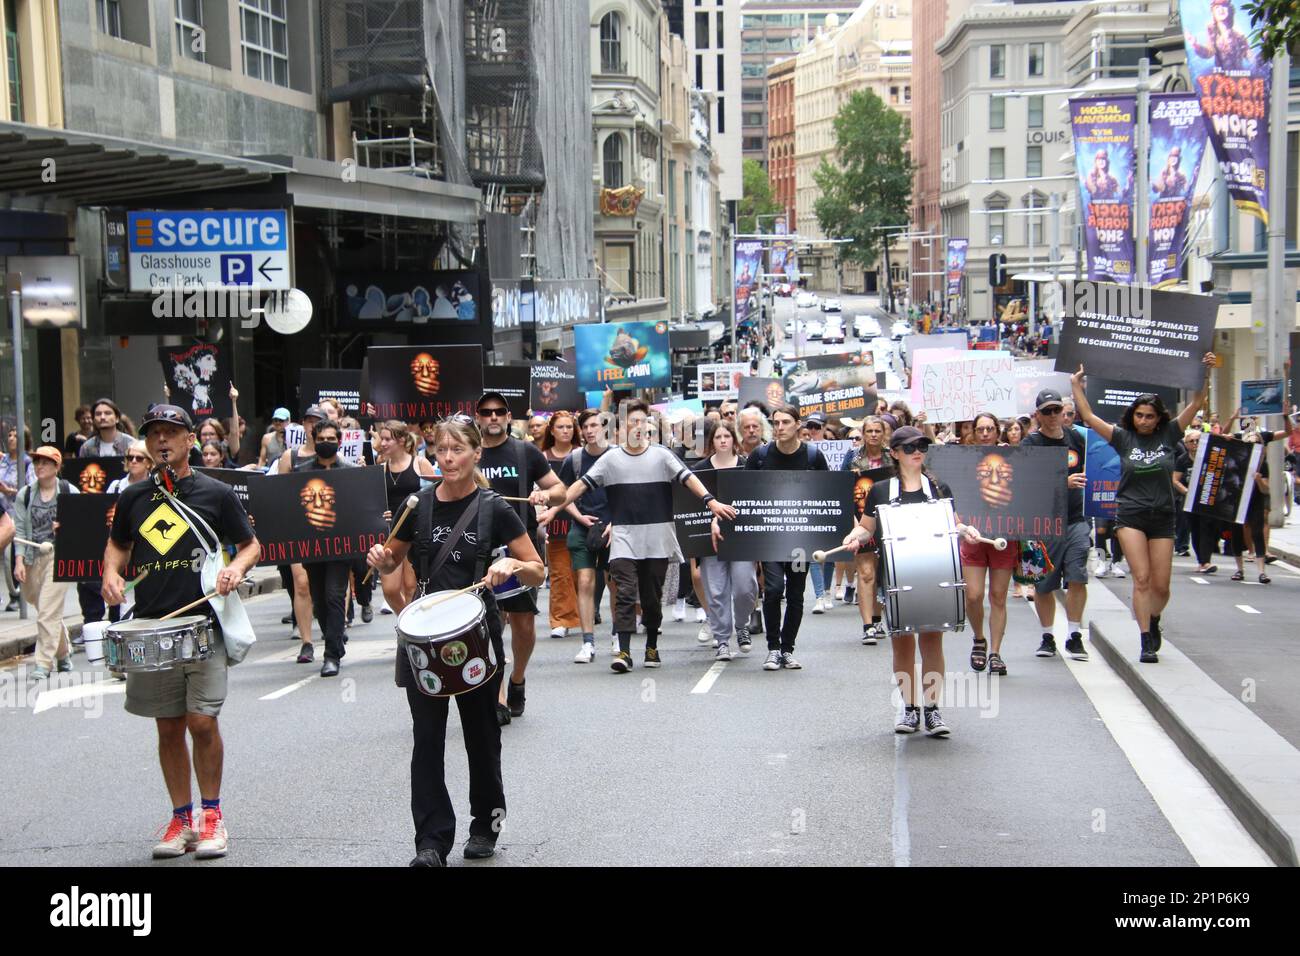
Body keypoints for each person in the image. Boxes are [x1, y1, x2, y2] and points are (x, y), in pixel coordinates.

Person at [366, 417, 545, 866]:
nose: (447, 458)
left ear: (475, 454)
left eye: (456, 450)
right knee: (426, 739)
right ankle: (431, 841)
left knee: (481, 735)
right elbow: (392, 563)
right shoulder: (418, 506)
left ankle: (485, 825)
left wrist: (511, 569)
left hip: (476, 636)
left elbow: (538, 569)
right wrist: (381, 560)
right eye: (440, 450)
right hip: (425, 640)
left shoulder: (494, 508)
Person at [100, 404, 257, 860]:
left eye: (171, 433)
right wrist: (111, 574)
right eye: (154, 435)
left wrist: (236, 570)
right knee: (168, 727)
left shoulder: (215, 493)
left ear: (190, 440)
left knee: (201, 721)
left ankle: (212, 817)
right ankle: (181, 819)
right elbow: (117, 546)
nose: (162, 441)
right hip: (152, 626)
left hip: (202, 623)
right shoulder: (133, 498)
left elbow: (249, 545)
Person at [549, 401, 735, 672]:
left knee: (650, 597)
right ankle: (623, 652)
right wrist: (552, 506)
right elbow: (578, 487)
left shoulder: (662, 456)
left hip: (657, 538)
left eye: (641, 422)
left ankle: (651, 645)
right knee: (625, 593)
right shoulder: (610, 459)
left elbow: (688, 479)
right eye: (630, 422)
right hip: (623, 537)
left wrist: (711, 501)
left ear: (648, 426)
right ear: (621, 428)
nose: (636, 427)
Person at [1070, 355, 1215, 663]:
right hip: (1131, 516)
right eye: (1139, 415)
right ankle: (1146, 638)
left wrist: (1205, 371)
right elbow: (1089, 416)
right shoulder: (1123, 437)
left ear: (1158, 418)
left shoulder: (1170, 434)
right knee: (1143, 579)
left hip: (1163, 517)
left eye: (1150, 416)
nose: (1144, 421)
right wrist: (1076, 385)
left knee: (1162, 587)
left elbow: (1198, 400)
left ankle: (1152, 616)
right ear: (1132, 417)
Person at [842, 426, 982, 736]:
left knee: (932, 641)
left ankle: (932, 710)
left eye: (921, 446)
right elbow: (867, 527)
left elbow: (953, 524)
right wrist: (853, 537)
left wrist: (966, 530)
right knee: (902, 644)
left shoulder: (939, 488)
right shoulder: (880, 490)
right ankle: (909, 709)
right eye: (908, 447)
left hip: (934, 574)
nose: (916, 451)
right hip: (895, 575)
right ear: (894, 453)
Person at [475, 392, 564, 723]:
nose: (494, 417)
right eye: (487, 412)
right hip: (480, 549)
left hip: (520, 547)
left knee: (523, 624)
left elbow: (561, 491)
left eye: (499, 412)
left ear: (509, 417)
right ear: (478, 416)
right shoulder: (471, 453)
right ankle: (497, 694)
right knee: (488, 623)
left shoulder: (525, 452)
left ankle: (517, 679)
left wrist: (544, 494)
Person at [745, 403, 829, 671]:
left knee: (795, 593)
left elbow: (827, 497)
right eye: (776, 423)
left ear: (798, 425)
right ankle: (772, 648)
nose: (779, 428)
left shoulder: (813, 457)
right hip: (769, 536)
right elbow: (745, 496)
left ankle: (786, 649)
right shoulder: (760, 456)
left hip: (799, 540)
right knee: (772, 590)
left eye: (785, 423)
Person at [1020, 389, 1091, 662]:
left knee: (1077, 576)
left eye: (1057, 410)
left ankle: (1074, 635)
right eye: (1047, 411)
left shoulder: (1077, 438)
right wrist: (1064, 483)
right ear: (1038, 415)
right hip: (1044, 524)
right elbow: (1025, 485)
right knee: (1044, 585)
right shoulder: (1030, 445)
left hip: (1075, 520)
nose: (1053, 416)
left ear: (1064, 412)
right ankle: (1048, 635)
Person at [544, 409, 613, 663]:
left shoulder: (616, 455)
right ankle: (588, 643)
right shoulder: (573, 459)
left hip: (612, 528)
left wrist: (615, 523)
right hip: (582, 527)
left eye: (595, 425)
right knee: (584, 581)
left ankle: (618, 636)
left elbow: (624, 494)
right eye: (585, 426)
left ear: (604, 427)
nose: (590, 430)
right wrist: (567, 514)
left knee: (614, 582)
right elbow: (564, 493)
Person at [294, 420, 355, 677]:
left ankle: (331, 655)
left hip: (341, 547)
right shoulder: (301, 472)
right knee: (319, 600)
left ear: (339, 442)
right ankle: (335, 638)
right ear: (313, 440)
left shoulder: (350, 472)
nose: (326, 443)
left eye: (331, 438)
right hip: (312, 545)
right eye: (321, 439)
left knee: (333, 595)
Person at [14, 446, 77, 680]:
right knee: (43, 607)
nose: (39, 466)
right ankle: (63, 654)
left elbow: (84, 520)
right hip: (32, 556)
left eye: (45, 462)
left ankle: (42, 663)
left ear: (56, 467)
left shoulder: (68, 490)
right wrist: (19, 561)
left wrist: (67, 525)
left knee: (46, 611)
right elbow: (19, 529)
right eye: (36, 462)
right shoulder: (26, 494)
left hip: (58, 556)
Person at [697, 419, 758, 659]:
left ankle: (741, 625)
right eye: (718, 437)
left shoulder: (746, 465)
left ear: (734, 439)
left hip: (740, 537)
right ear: (712, 442)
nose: (723, 441)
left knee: (745, 587)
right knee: (715, 590)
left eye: (727, 436)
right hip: (709, 539)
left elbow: (754, 501)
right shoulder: (701, 469)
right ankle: (722, 638)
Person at [962, 413, 1017, 676]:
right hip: (974, 535)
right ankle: (979, 638)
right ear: (973, 432)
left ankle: (995, 652)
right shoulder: (964, 460)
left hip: (1004, 535)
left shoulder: (1014, 457)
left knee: (998, 595)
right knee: (972, 595)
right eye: (980, 429)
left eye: (989, 429)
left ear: (998, 431)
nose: (985, 433)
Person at [276, 405, 328, 660]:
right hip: (299, 528)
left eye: (317, 421)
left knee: (329, 585)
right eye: (308, 420)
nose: (312, 425)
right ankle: (307, 641)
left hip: (330, 528)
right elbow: (279, 493)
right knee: (302, 582)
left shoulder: (333, 456)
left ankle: (333, 630)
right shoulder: (290, 457)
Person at [375, 420, 439, 616]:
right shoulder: (380, 467)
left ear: (401, 440)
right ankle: (407, 622)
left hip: (416, 531)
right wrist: (381, 511)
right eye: (382, 439)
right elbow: (375, 499)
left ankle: (413, 630)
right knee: (390, 590)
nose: (383, 443)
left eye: (388, 439)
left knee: (411, 587)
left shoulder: (420, 463)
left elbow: (435, 495)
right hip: (391, 532)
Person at [843, 416, 889, 642]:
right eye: (869, 431)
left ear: (883, 433)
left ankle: (878, 619)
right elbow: (842, 489)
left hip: (889, 521)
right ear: (863, 433)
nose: (873, 435)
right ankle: (867, 625)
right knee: (866, 572)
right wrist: (852, 522)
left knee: (882, 573)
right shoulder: (852, 457)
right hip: (861, 520)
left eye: (877, 431)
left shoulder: (893, 456)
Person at [537, 412, 581, 640]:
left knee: (579, 574)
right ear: (551, 430)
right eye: (561, 427)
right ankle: (560, 619)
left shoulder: (580, 455)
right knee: (559, 573)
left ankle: (580, 611)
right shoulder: (542, 457)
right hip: (555, 523)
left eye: (569, 427)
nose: (566, 431)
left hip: (582, 520)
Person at [1, 422, 34, 611]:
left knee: (14, 555)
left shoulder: (27, 461)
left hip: (17, 513)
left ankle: (17, 595)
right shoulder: (3, 460)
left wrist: (9, 490)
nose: (11, 438)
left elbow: (30, 489)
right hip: (1, 509)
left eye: (16, 435)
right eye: (10, 435)